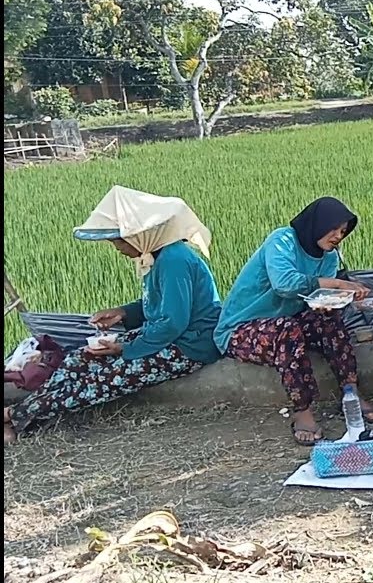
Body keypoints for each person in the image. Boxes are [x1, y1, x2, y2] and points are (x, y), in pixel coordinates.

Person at [4, 187, 222, 444]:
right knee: (77, 359)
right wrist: (123, 313)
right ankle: (24, 414)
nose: (116, 247)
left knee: (101, 380)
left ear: (140, 235)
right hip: (168, 335)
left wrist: (124, 346)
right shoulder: (155, 255)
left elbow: (172, 322)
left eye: (118, 240)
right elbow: (162, 306)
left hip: (190, 344)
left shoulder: (175, 260)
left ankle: (13, 417)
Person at [216, 197, 373, 445]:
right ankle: (302, 410)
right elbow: (284, 284)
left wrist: (347, 297)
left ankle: (351, 395)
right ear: (318, 224)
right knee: (286, 330)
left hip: (289, 319)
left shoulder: (328, 256)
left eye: (343, 231)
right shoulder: (282, 240)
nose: (338, 236)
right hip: (243, 327)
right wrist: (338, 283)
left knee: (327, 318)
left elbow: (319, 298)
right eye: (333, 229)